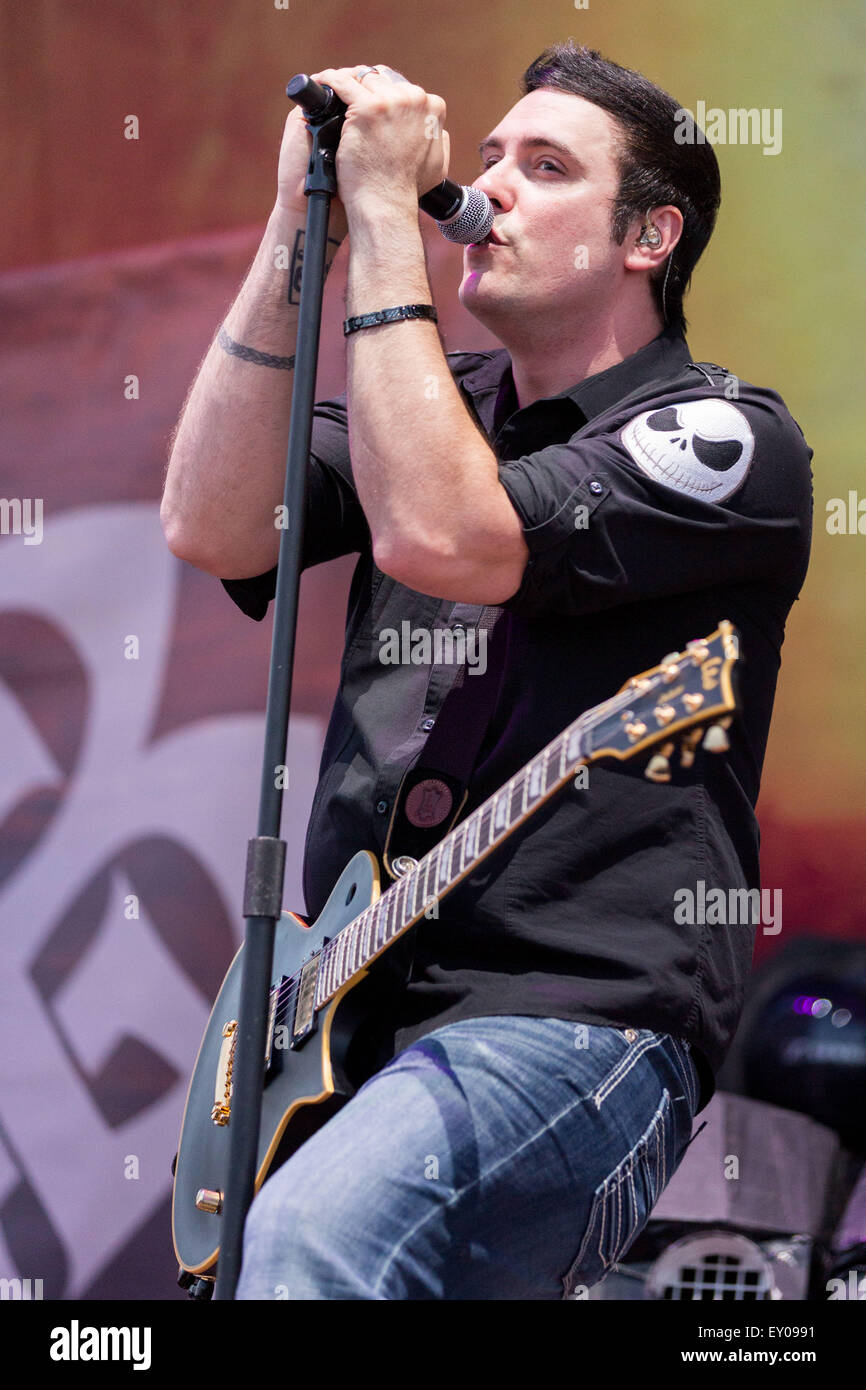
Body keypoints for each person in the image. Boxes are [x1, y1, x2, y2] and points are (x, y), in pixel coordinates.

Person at [160, 42, 813, 1299]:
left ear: (647, 236)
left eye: (547, 167)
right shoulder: (432, 407)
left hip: (574, 1020)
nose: (490, 186)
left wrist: (391, 243)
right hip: (345, 1014)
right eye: (490, 156)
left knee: (312, 1250)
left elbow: (446, 534)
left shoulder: (728, 438)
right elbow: (214, 524)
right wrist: (307, 229)